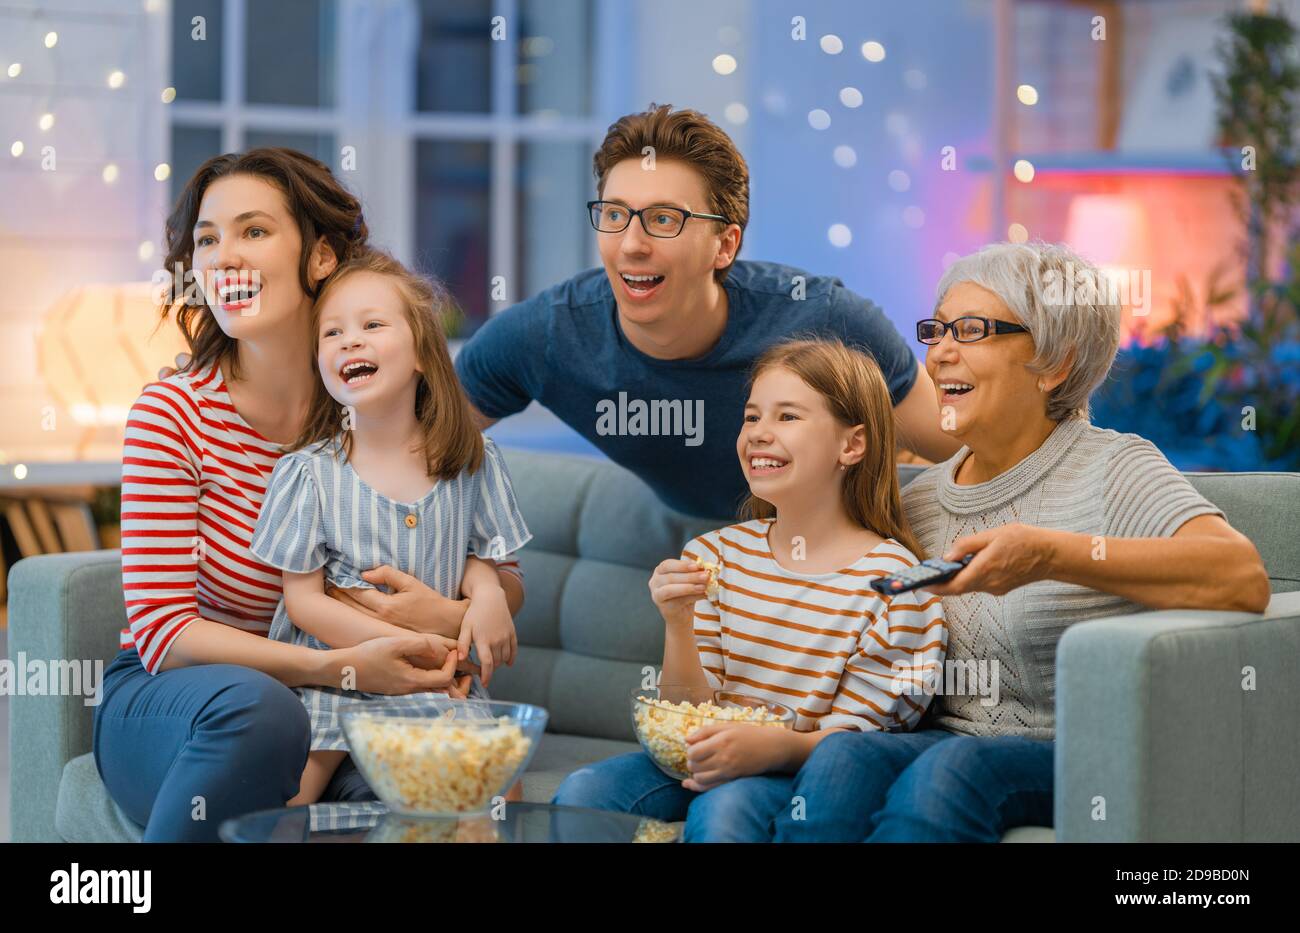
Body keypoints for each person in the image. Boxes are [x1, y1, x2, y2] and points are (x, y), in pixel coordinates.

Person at [771, 242, 1271, 842]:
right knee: (842, 760)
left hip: (1075, 749)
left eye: (973, 331)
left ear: (1056, 362)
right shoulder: (922, 501)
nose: (939, 355)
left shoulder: (1113, 468)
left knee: (952, 770)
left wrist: (1048, 554)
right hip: (946, 742)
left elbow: (1240, 575)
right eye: (938, 331)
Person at [97, 148, 523, 842]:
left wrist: (448, 612)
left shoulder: (368, 412)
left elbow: (486, 557)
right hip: (178, 700)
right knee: (264, 711)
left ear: (321, 256)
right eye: (207, 239)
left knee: (423, 784)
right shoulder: (173, 413)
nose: (223, 256)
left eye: (253, 231)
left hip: (336, 702)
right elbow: (165, 634)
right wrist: (344, 667)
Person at [454, 103, 961, 519]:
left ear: (724, 245)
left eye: (663, 219)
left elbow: (967, 448)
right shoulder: (543, 336)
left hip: (856, 530)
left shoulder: (824, 317)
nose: (630, 244)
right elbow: (413, 451)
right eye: (614, 215)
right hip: (714, 549)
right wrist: (481, 575)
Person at [552, 339, 947, 841]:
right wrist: (677, 623)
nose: (759, 434)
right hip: (701, 758)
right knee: (584, 792)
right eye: (751, 417)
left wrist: (774, 748)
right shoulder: (715, 557)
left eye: (787, 417)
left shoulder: (898, 586)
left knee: (725, 813)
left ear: (852, 445)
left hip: (798, 775)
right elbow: (688, 711)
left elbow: (860, 752)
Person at [248, 248, 531, 804]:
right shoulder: (308, 473)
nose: (349, 341)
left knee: (500, 791)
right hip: (336, 675)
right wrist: (407, 643)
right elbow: (303, 603)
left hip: (434, 684)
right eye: (331, 334)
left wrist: (490, 592)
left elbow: (493, 564)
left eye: (372, 325)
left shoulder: (474, 461)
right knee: (286, 802)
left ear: (423, 353)